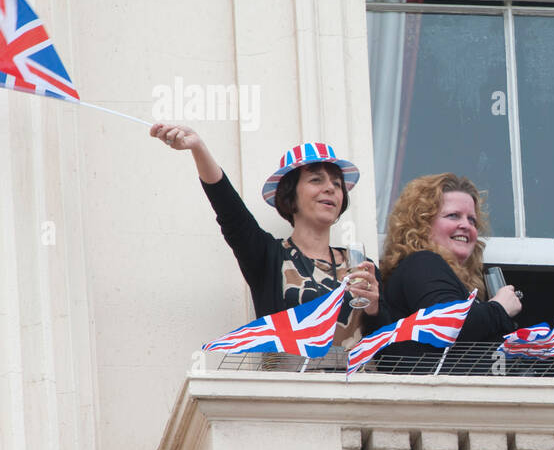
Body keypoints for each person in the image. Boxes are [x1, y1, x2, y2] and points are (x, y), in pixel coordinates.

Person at [150, 125, 381, 349]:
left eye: (337, 183)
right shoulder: (268, 256)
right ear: (290, 195)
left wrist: (375, 308)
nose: (331, 188)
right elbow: (231, 212)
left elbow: (391, 341)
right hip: (290, 388)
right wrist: (198, 148)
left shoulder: (361, 267)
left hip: (359, 386)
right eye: (316, 180)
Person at [376, 173, 522, 371]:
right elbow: (447, 324)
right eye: (453, 215)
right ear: (422, 223)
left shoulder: (442, 273)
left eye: (472, 220)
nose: (466, 225)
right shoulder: (423, 263)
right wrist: (499, 308)